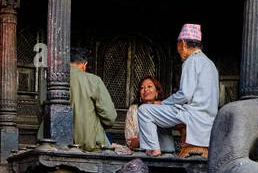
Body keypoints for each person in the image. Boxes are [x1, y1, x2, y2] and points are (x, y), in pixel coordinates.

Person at [137, 24, 219, 157]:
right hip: (207, 119)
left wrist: (163, 103)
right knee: (158, 116)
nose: (178, 50)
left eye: (178, 46)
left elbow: (185, 94)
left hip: (192, 115)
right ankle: (167, 149)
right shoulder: (210, 64)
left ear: (183, 44)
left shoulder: (191, 61)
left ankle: (153, 150)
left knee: (144, 110)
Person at [68, 46, 118, 152]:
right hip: (89, 145)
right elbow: (109, 116)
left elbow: (41, 112)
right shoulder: (93, 81)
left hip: (54, 145)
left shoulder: (50, 79)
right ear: (84, 64)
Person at [125, 76, 175, 153]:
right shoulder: (133, 109)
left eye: (149, 86)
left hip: (165, 152)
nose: (145, 90)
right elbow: (130, 141)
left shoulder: (164, 107)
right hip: (140, 153)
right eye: (142, 88)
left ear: (157, 91)